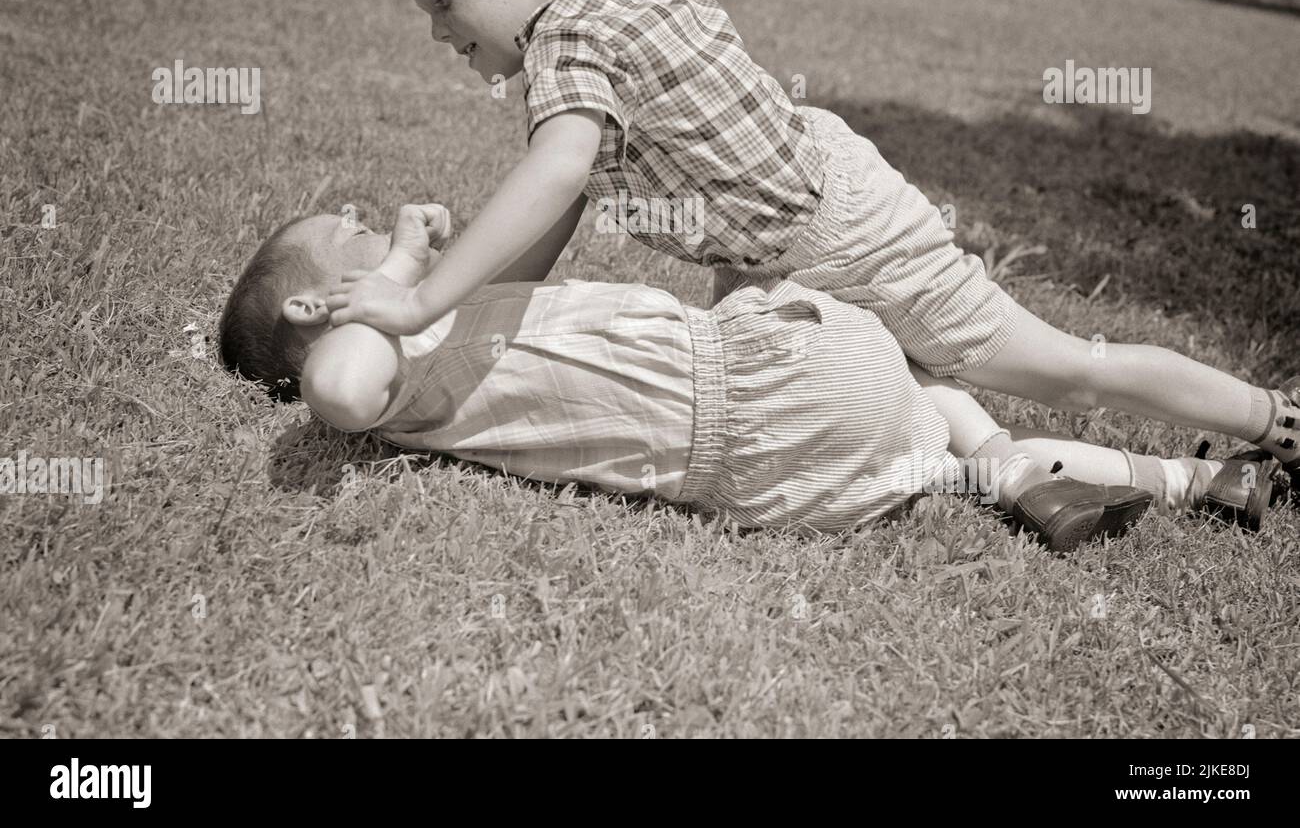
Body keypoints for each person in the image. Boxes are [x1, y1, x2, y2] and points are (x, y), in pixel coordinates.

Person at [322, 0, 1299, 497]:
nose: (439, 32)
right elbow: (565, 197)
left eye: (446, 1)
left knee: (1060, 366)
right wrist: (483, 316)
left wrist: (418, 309)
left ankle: (1273, 420)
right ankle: (1096, 480)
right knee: (916, 391)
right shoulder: (600, 10)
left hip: (836, 227)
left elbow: (557, 168)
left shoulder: (566, 36)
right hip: (770, 250)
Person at [220, 204, 1280, 553]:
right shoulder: (378, 369)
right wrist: (401, 272)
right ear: (319, 309)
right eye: (356, 231)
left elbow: (519, 267)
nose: (380, 230)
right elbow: (342, 396)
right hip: (755, 379)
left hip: (776, 473)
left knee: (943, 428)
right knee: (933, 393)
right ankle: (1031, 467)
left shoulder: (430, 340)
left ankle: (1172, 482)